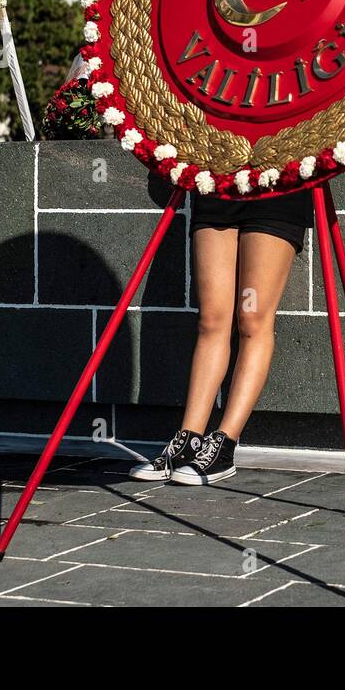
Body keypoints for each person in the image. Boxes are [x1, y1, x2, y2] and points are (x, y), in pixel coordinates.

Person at [129, 190, 314, 485]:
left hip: (278, 186)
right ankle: (188, 440)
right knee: (211, 320)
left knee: (252, 319)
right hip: (220, 182)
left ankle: (224, 444)